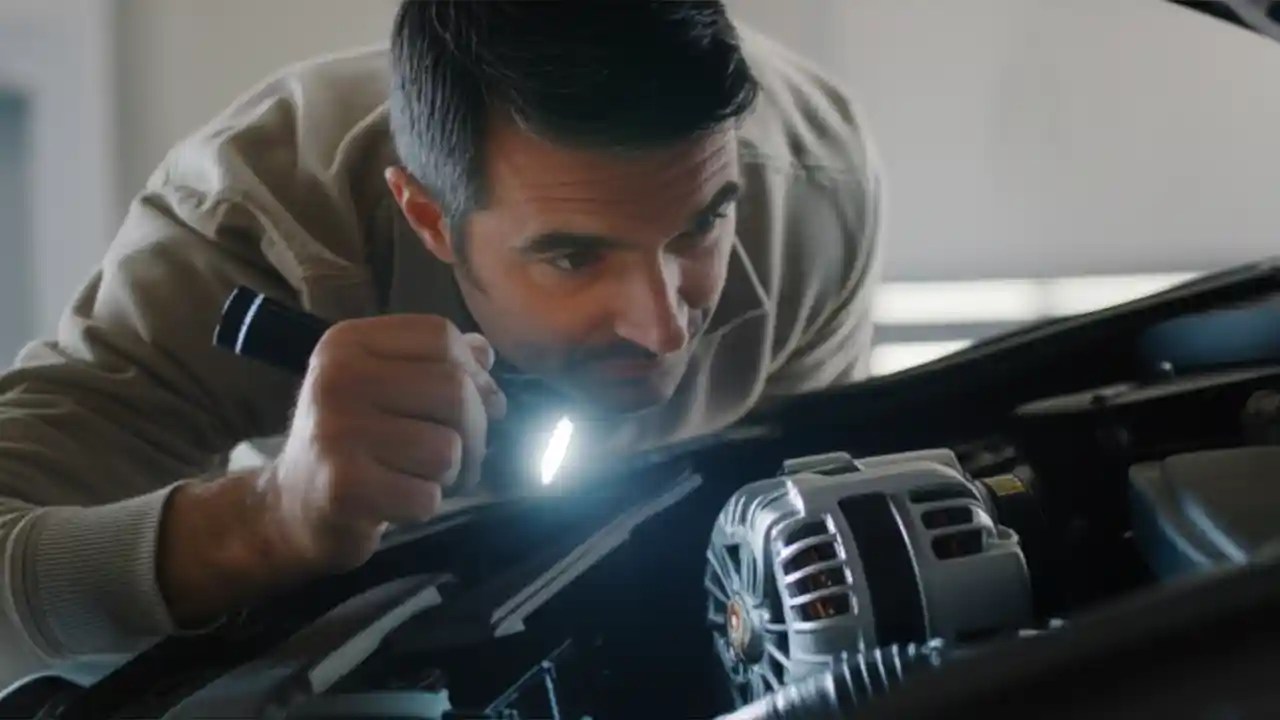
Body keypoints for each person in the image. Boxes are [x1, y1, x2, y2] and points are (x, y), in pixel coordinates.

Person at [0, 0, 880, 681]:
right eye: (573, 256)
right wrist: (271, 518)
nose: (662, 329)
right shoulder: (250, 225)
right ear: (426, 217)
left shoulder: (818, 189)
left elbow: (821, 557)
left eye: (702, 226)